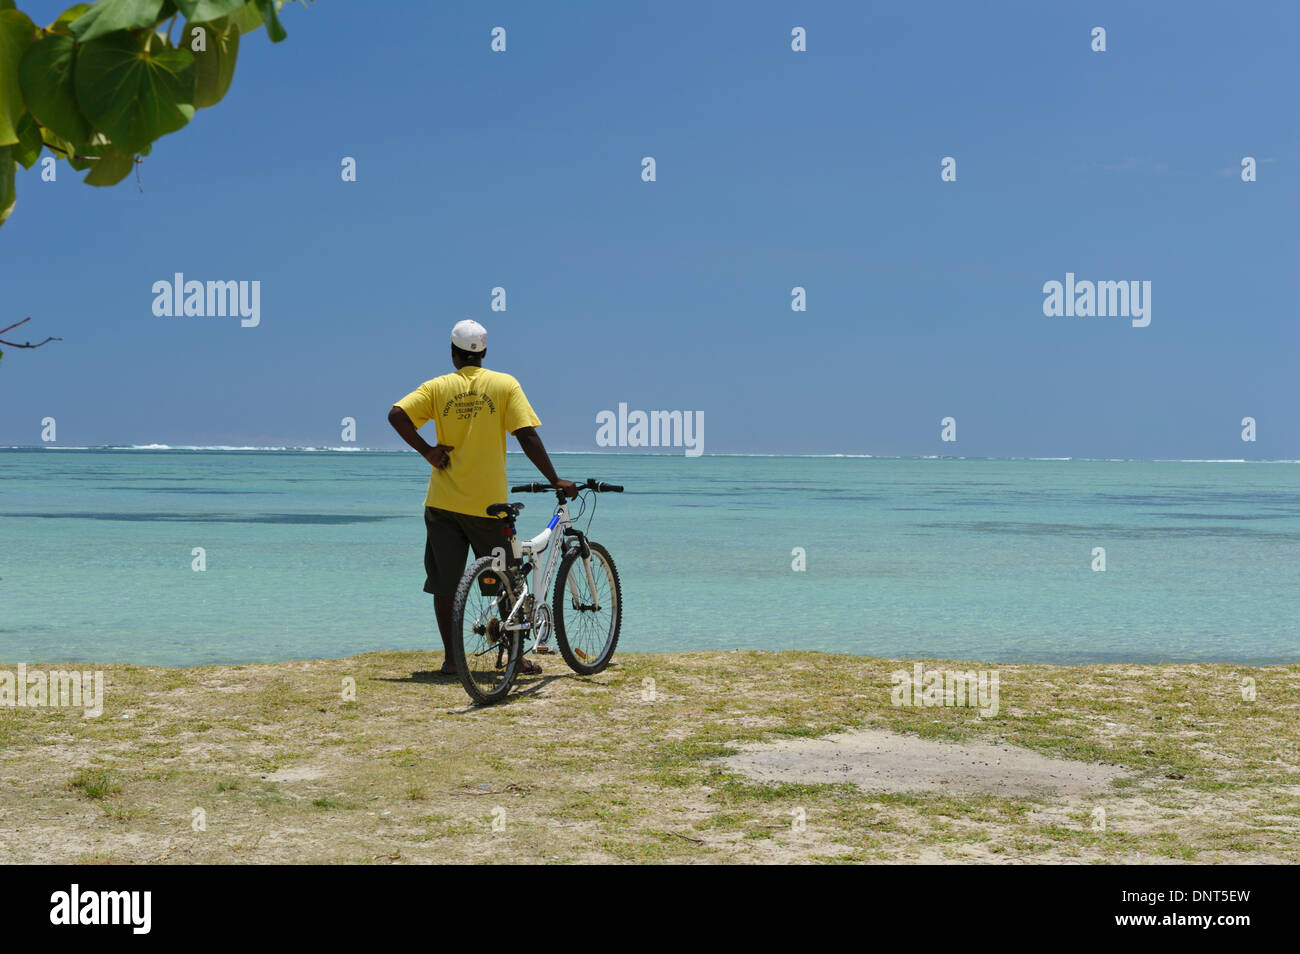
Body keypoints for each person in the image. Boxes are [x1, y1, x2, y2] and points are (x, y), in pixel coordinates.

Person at [388, 319, 577, 676]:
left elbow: (397, 415)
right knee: (505, 579)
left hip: (442, 503)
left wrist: (428, 452)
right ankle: (517, 657)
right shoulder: (505, 385)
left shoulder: (438, 387)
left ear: (453, 353)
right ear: (485, 352)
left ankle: (450, 659)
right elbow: (526, 436)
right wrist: (554, 480)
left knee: (446, 583)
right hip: (489, 507)